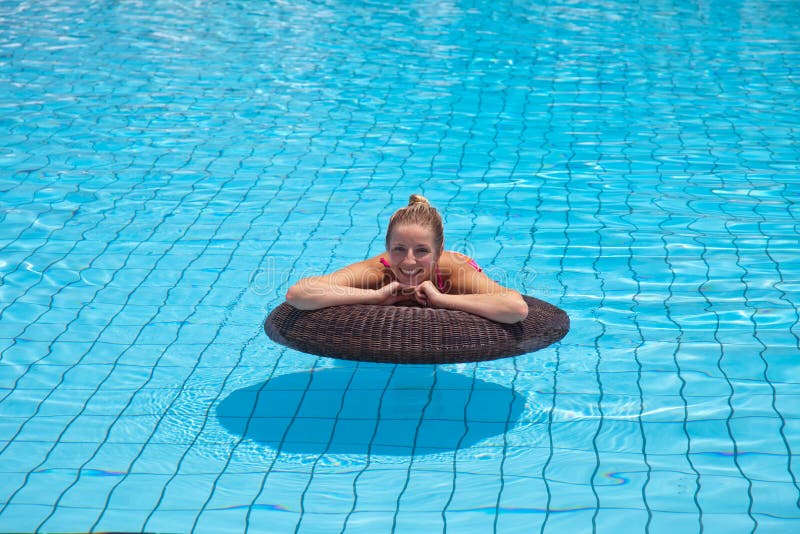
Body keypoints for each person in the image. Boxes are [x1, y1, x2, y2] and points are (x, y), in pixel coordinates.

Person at [285, 194, 529, 324]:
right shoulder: (377, 271)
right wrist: (377, 296)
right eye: (399, 249)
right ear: (387, 248)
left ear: (439, 250)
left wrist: (442, 300)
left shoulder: (454, 272)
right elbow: (299, 294)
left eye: (422, 250)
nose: (409, 261)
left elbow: (515, 309)